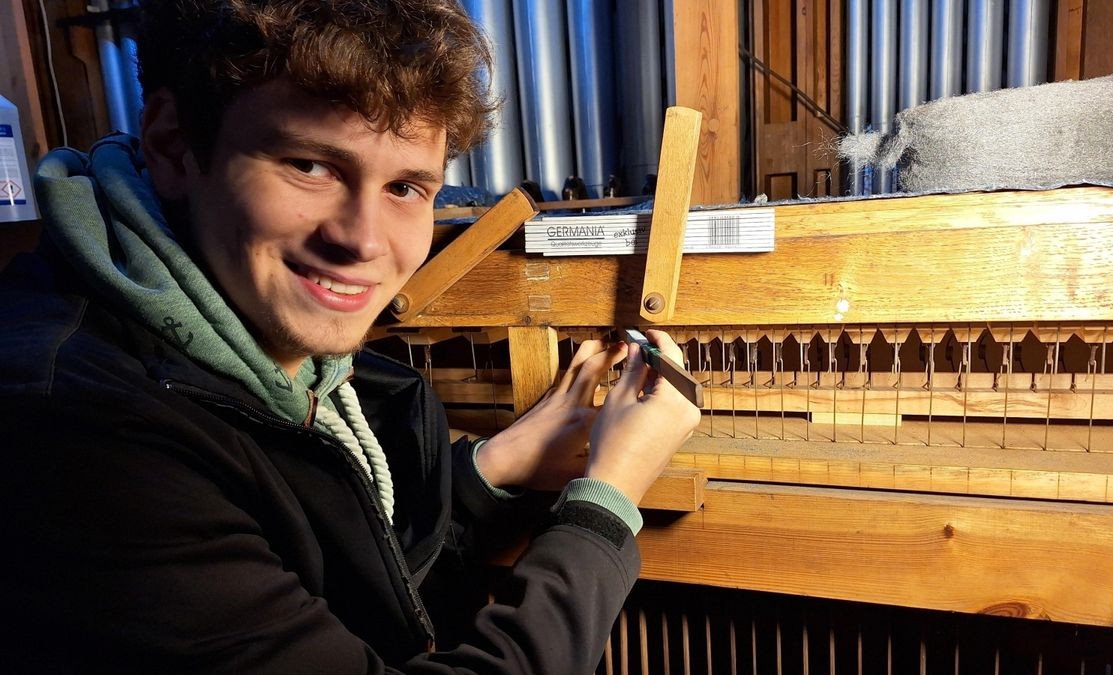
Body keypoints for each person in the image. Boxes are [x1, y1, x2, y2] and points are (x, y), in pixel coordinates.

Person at [0, 0, 700, 672]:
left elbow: (321, 551)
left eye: (406, 188)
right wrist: (607, 497)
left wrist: (493, 464)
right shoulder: (76, 429)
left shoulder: (247, 322)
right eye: (311, 166)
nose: (363, 241)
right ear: (174, 145)